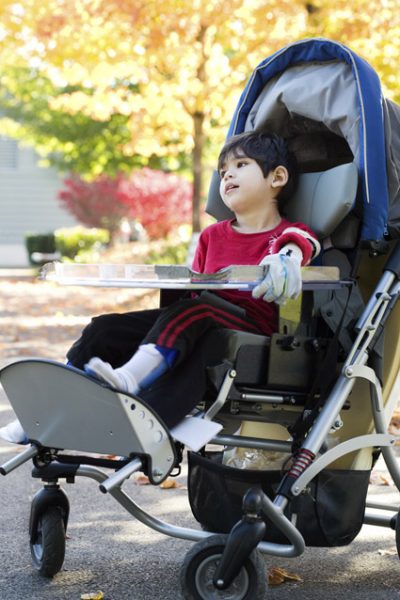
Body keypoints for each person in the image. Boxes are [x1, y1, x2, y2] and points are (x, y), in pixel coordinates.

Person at [0, 131, 320, 443]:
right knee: (105, 328)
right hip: (200, 317)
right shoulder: (212, 236)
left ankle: (131, 379)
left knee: (195, 311)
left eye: (241, 165)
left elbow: (303, 243)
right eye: (223, 171)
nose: (227, 176)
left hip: (254, 329)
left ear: (276, 177)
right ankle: (43, 413)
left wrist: (287, 256)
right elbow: (195, 290)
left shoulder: (287, 234)